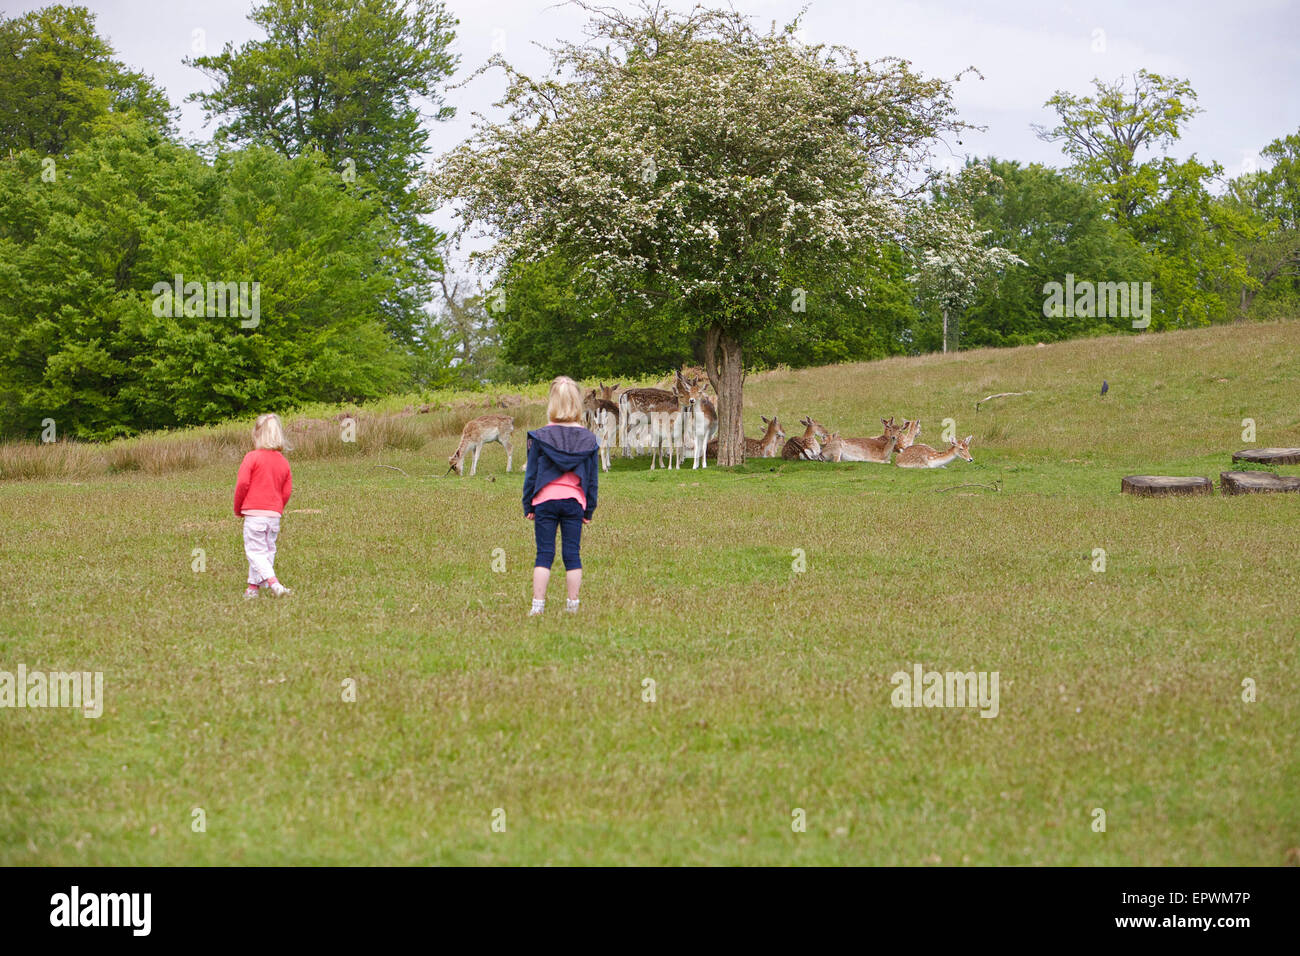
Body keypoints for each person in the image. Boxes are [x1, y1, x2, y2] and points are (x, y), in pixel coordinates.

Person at [521, 377, 601, 615]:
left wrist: (528, 505)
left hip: (544, 501)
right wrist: (589, 510)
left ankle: (538, 606)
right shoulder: (589, 440)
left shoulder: (540, 437)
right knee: (572, 554)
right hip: (574, 502)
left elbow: (531, 476)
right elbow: (592, 481)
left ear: (552, 403)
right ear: (578, 403)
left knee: (544, 553)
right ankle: (572, 605)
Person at [233, 413, 293, 599]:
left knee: (254, 551)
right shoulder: (283, 461)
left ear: (257, 434)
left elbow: (242, 484)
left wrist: (238, 507)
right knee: (267, 549)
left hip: (255, 514)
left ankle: (274, 583)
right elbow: (287, 490)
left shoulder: (252, 458)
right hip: (274, 515)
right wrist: (278, 507)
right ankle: (253, 588)